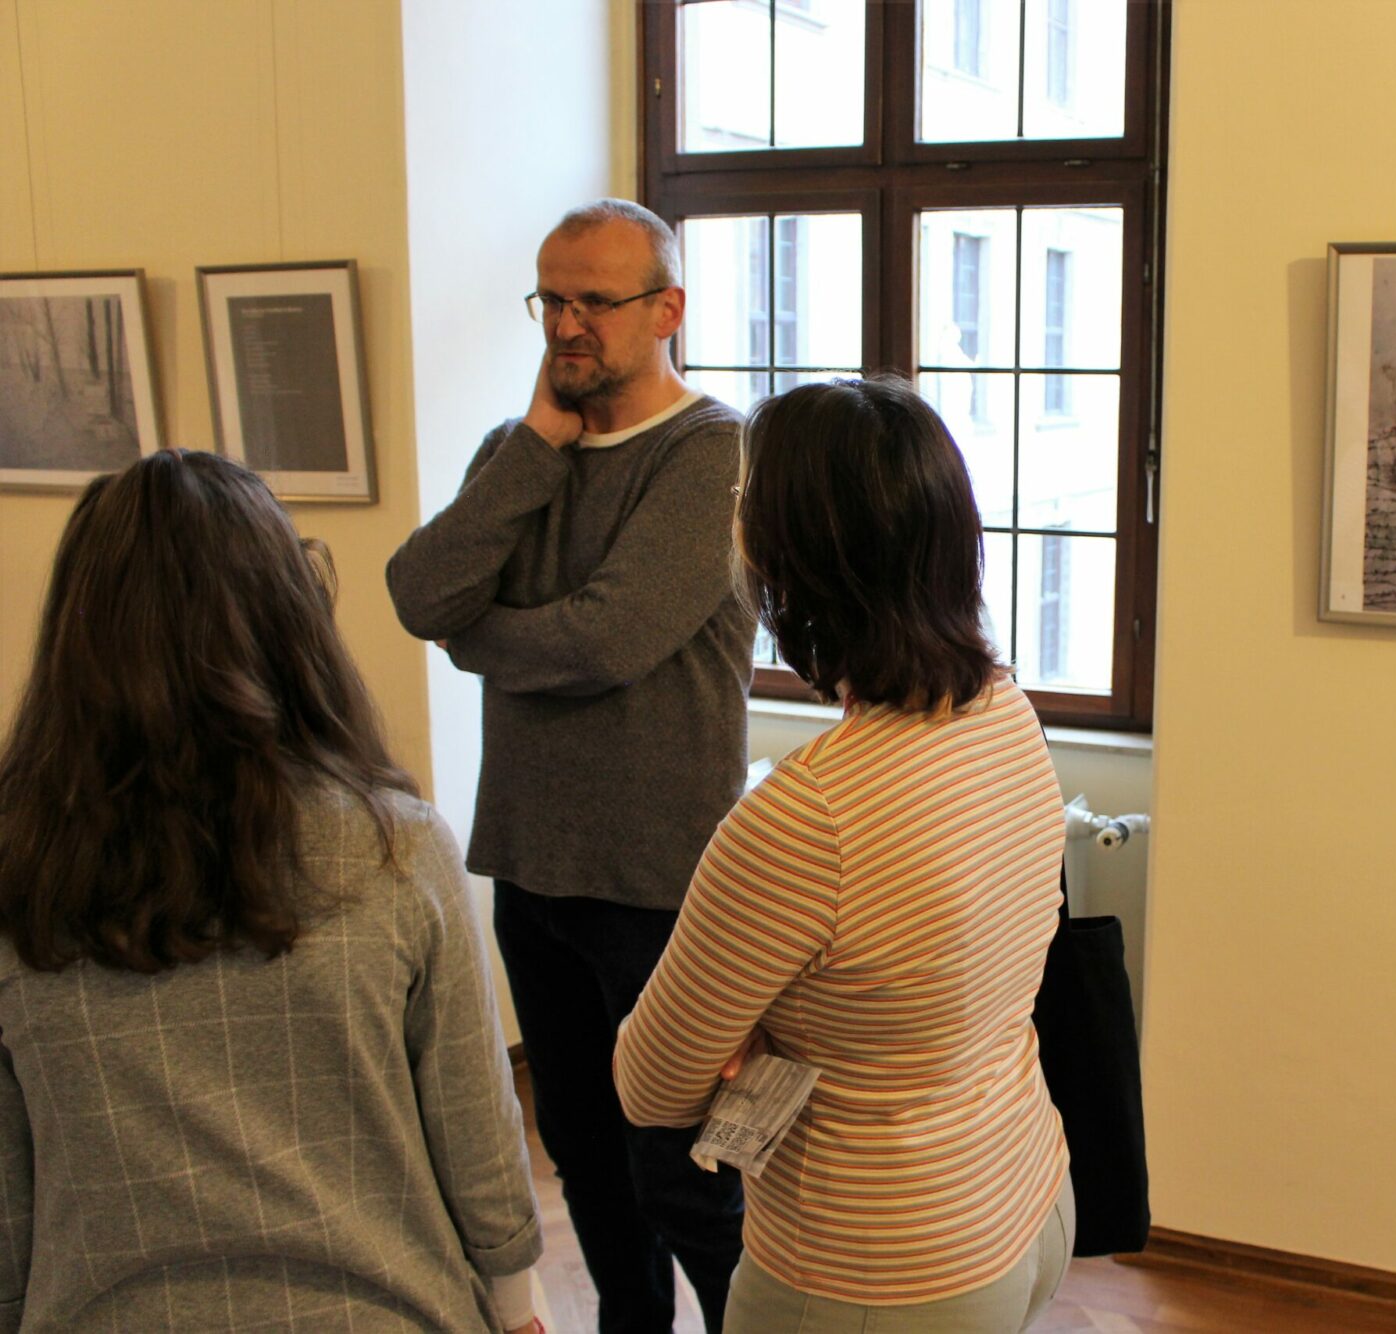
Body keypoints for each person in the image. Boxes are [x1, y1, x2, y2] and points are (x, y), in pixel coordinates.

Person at [0, 449, 542, 1332]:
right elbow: (476, 1143)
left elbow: (8, 1200)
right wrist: (518, 1310)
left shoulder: (21, 860)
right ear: (288, 616)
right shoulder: (395, 847)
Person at [613, 377, 1074, 1333]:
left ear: (789, 563)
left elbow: (649, 1084)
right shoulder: (1004, 711)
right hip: (1025, 1195)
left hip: (874, 1267)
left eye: (746, 503)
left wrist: (762, 1030)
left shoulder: (804, 820)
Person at [385, 198, 753, 1333]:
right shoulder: (516, 454)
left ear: (667, 309)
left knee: (683, 1171)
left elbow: (608, 637)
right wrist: (536, 445)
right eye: (553, 298)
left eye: (597, 299)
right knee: (584, 1157)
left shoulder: (716, 452)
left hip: (660, 881)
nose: (569, 324)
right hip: (531, 864)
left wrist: (479, 642)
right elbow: (416, 593)